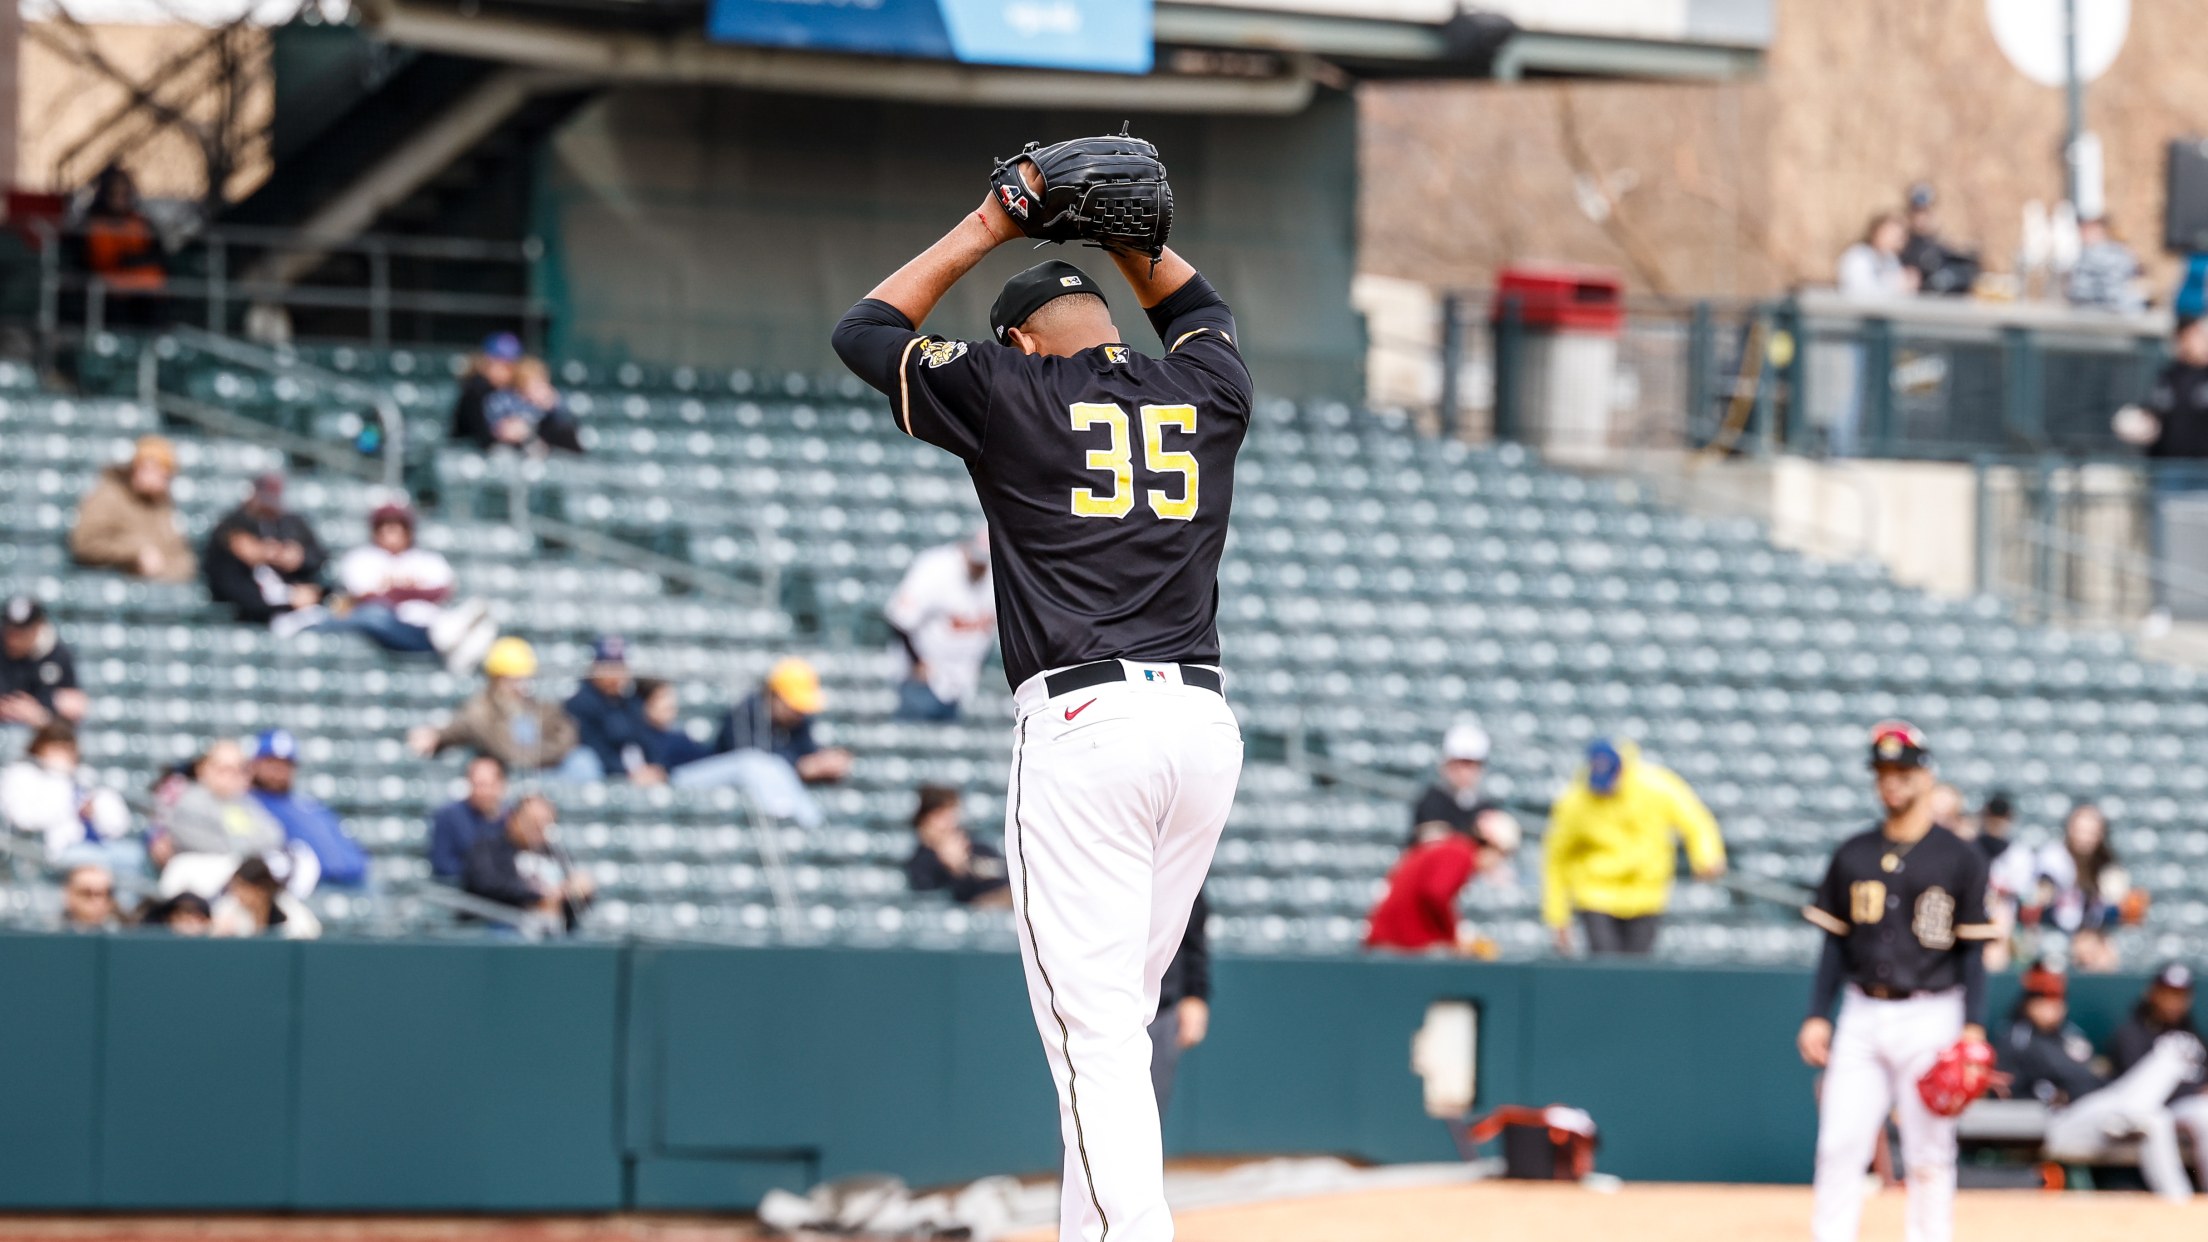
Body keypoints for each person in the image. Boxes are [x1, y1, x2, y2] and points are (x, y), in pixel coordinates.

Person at [832, 138, 1248, 1242]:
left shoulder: (1012, 385)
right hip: (1201, 728)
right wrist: (1130, 238)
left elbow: (864, 331)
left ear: (1019, 340)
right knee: (1117, 1023)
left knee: (1095, 1037)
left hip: (1087, 728)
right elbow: (1199, 302)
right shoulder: (1205, 382)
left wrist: (998, 220)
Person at [1797, 721, 1996, 1242]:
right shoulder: (1853, 853)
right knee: (1839, 1143)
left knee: (1929, 1152)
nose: (1892, 782)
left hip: (1931, 1013)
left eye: (1903, 772)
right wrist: (1819, 1013)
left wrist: (1973, 1027)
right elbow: (1834, 943)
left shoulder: (1960, 857)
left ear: (1926, 777)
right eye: (1883, 772)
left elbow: (1974, 950)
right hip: (1862, 1012)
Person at [1541, 738, 1725, 956]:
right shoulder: (1575, 802)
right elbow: (1556, 858)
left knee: (1638, 971)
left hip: (1647, 895)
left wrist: (1706, 856)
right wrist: (1558, 916)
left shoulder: (1655, 786)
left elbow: (1694, 819)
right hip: (1596, 894)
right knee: (1606, 967)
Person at [301, 503, 497, 671]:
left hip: (425, 623)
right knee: (373, 615)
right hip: (386, 625)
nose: (390, 532)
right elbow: (366, 597)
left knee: (479, 618)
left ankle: (447, 641)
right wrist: (411, 592)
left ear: (408, 530)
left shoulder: (427, 560)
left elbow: (442, 590)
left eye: (396, 526)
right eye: (384, 526)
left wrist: (392, 592)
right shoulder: (361, 558)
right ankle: (446, 645)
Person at [2113, 316, 2208, 632]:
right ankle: (2165, 606)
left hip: (2203, 474)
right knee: (2166, 544)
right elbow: (2152, 414)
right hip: (2169, 474)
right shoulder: (2168, 376)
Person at [681, 658, 851, 825]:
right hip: (720, 779)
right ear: (774, 696)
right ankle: (800, 822)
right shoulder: (745, 713)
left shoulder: (800, 721)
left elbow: (805, 755)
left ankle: (811, 825)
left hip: (763, 790)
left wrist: (821, 763)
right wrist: (801, 766)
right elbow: (756, 758)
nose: (798, 713)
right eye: (793, 707)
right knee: (754, 763)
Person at [409, 638, 587, 778]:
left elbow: (565, 734)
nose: (520, 685)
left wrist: (542, 756)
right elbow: (462, 726)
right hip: (507, 777)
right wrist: (436, 735)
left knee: (582, 763)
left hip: (546, 770)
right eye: (513, 679)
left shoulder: (536, 705)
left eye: (523, 678)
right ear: (497, 679)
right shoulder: (481, 710)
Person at [2104, 962, 2208, 1189]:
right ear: (2153, 993)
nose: (2174, 1002)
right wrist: (2195, 1091)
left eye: (2181, 995)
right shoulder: (2131, 1033)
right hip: (2146, 1111)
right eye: (2168, 993)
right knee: (2162, 1120)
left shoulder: (2193, 1033)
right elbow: (2134, 1088)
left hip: (2189, 1108)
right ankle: (2176, 1202)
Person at [157, 738, 291, 899]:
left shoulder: (246, 803)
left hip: (244, 875)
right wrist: (245, 847)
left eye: (237, 770)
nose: (230, 777)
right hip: (201, 876)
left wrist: (239, 848)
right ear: (203, 769)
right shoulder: (189, 800)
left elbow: (274, 836)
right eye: (223, 769)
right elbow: (197, 841)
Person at [885, 529, 996, 721]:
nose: (979, 567)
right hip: (924, 682)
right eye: (976, 560)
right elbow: (899, 619)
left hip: (963, 683)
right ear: (966, 549)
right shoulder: (936, 568)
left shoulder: (999, 575)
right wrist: (917, 662)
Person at [0, 720, 138, 873]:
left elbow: (119, 824)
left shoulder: (84, 775)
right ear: (39, 748)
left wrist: (95, 811)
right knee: (98, 864)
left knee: (135, 857)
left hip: (97, 845)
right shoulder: (21, 774)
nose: (64, 755)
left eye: (68, 749)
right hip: (53, 852)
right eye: (57, 748)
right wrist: (60, 780)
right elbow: (23, 819)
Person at [247, 729, 369, 890]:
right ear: (255, 765)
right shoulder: (248, 804)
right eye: (271, 762)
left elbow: (353, 855)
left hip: (347, 885)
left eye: (285, 765)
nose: (278, 771)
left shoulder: (310, 806)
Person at [201, 474, 327, 625]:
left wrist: (299, 558)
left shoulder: (290, 523)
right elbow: (239, 594)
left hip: (299, 605)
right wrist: (290, 602)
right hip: (259, 616)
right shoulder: (232, 526)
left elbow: (318, 557)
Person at [69, 435, 196, 583]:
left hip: (158, 591)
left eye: (165, 476)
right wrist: (134, 554)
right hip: (111, 584)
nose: (161, 480)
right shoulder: (108, 495)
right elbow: (84, 543)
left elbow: (181, 555)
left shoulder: (163, 505)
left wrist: (167, 570)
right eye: (150, 469)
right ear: (136, 468)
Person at [462, 794, 593, 933]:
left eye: (546, 823)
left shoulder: (555, 853)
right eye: (532, 822)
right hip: (503, 928)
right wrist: (540, 895)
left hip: (554, 932)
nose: (538, 828)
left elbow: (572, 895)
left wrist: (579, 890)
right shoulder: (488, 847)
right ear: (513, 819)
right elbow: (487, 884)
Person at [2016, 801, 2125, 939]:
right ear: (2070, 829)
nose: (2085, 838)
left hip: (2087, 935)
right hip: (2050, 932)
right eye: (2081, 831)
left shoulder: (2104, 864)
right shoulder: (2054, 857)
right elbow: (2042, 892)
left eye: (2091, 832)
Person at [1997, 962, 2101, 1107]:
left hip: (2082, 1110)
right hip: (2034, 1119)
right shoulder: (2015, 1040)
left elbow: (2090, 1077)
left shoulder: (2071, 1036)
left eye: (2057, 1003)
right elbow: (2010, 1092)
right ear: (2030, 1004)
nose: (2053, 1009)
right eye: (2045, 1003)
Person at [77, 165, 166, 324]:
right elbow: (97, 259)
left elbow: (157, 253)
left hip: (143, 291)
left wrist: (135, 260)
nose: (119, 199)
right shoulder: (94, 223)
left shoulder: (140, 223)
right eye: (114, 194)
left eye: (124, 194)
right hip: (109, 288)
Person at [1149, 888, 1210, 1117]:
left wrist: (1195, 994)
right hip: (1098, 1006)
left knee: (1146, 1120)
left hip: (1159, 1006)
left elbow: (1192, 921)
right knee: (1084, 1118)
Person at [564, 636, 657, 784]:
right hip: (604, 778)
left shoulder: (631, 702)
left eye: (620, 665)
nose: (616, 672)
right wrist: (628, 773)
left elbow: (645, 741)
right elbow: (594, 749)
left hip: (637, 775)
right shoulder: (580, 703)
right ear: (595, 666)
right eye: (609, 665)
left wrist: (655, 769)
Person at [903, 784, 1010, 907]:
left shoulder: (978, 848)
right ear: (923, 820)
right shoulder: (920, 862)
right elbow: (931, 901)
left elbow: (1004, 878)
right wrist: (957, 869)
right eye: (940, 816)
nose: (948, 823)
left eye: (951, 813)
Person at [1, 596, 89, 730]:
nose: (14, 639)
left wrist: (40, 717)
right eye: (11, 631)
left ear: (37, 627)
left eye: (22, 633)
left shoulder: (59, 656)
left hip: (42, 739)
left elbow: (75, 709)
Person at [428, 753, 509, 884]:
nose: (483, 791)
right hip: (466, 897)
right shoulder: (448, 816)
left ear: (502, 785)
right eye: (478, 784)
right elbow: (442, 864)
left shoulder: (511, 819)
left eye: (489, 785)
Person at [479, 356, 583, 455]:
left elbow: (569, 427)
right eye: (534, 384)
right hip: (510, 448)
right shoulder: (503, 400)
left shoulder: (554, 400)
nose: (540, 389)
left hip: (545, 449)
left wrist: (552, 406)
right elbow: (498, 428)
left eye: (541, 383)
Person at [209, 855, 321, 940]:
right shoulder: (230, 909)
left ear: (261, 889)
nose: (238, 893)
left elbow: (309, 934)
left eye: (243, 887)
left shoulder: (289, 909)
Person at [1899, 183, 1977, 297]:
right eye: (1917, 212)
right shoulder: (1903, 244)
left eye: (1926, 212)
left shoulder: (1937, 246)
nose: (1921, 218)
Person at [450, 332, 524, 450]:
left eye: (509, 366)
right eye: (499, 363)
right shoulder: (474, 391)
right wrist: (502, 433)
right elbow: (478, 436)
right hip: (470, 457)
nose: (504, 371)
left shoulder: (515, 391)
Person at [635, 677, 716, 777]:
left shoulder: (677, 736)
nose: (669, 703)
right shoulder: (640, 736)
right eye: (662, 697)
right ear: (645, 704)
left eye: (670, 696)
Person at [2066, 216, 2146, 314]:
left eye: (2088, 230)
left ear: (2100, 232)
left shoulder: (2094, 255)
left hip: (2100, 312)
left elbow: (2080, 291)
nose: (2083, 234)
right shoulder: (2122, 252)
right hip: (2118, 310)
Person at [1836, 213, 1917, 299]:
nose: (1896, 239)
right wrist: (1897, 286)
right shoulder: (1857, 257)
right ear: (1876, 232)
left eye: (1899, 235)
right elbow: (1860, 291)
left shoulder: (1891, 259)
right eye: (1891, 234)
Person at [59, 863, 118, 931]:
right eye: (87, 893)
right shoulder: (52, 933)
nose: (97, 901)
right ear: (69, 895)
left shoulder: (122, 931)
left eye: (106, 894)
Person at [1974, 791, 2016, 866]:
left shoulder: (2018, 854)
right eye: (1992, 819)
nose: (1996, 824)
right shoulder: (1970, 849)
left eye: (2001, 820)